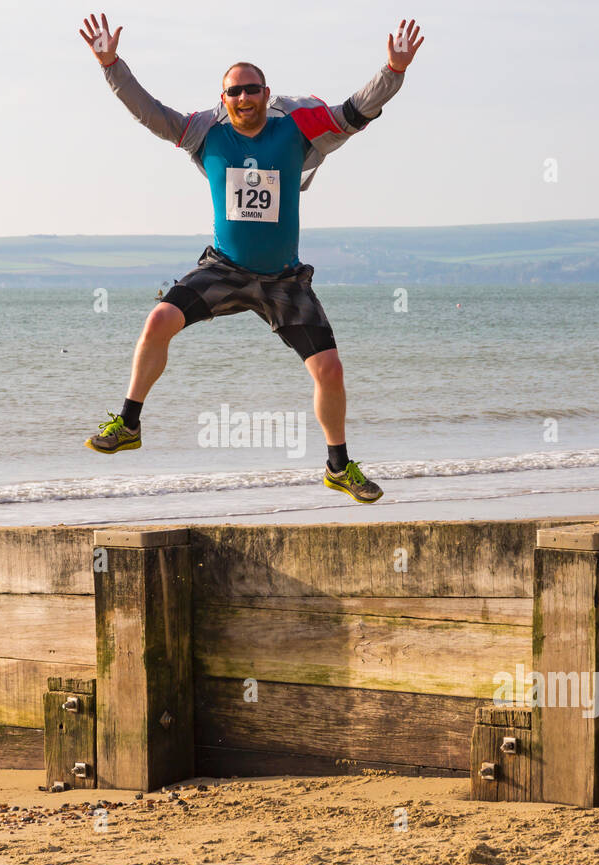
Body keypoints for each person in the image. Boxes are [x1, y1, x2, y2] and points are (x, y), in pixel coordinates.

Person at [78, 13, 424, 503]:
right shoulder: (205, 132)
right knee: (159, 319)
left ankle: (338, 467)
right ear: (224, 99)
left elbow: (353, 112)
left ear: (266, 92)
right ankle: (129, 423)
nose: (243, 98)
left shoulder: (297, 127)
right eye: (234, 92)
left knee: (330, 371)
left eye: (252, 89)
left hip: (283, 279)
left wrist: (393, 71)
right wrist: (111, 65)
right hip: (224, 268)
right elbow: (150, 113)